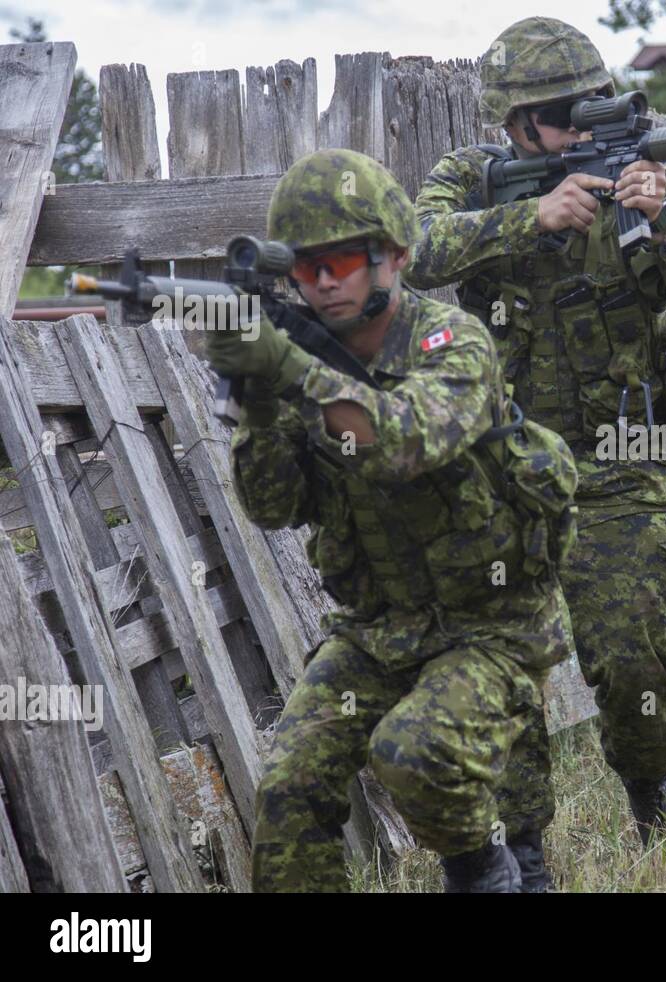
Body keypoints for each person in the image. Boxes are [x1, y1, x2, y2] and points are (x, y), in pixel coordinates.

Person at [405, 17, 666, 845]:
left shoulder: (650, 174)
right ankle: (519, 851)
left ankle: (655, 783)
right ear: (516, 123)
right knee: (497, 660)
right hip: (509, 461)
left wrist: (663, 219)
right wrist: (532, 219)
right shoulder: (476, 176)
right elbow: (410, 251)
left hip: (627, 457)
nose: (581, 126)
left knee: (639, 655)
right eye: (562, 113)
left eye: (592, 106)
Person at [206, 148, 578, 894]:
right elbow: (273, 507)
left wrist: (290, 370)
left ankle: (482, 871)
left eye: (342, 260)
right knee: (288, 786)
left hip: (492, 625)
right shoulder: (303, 361)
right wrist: (257, 401)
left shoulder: (453, 341)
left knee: (412, 752)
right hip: (379, 627)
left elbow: (405, 441)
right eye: (305, 267)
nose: (322, 281)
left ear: (396, 256)